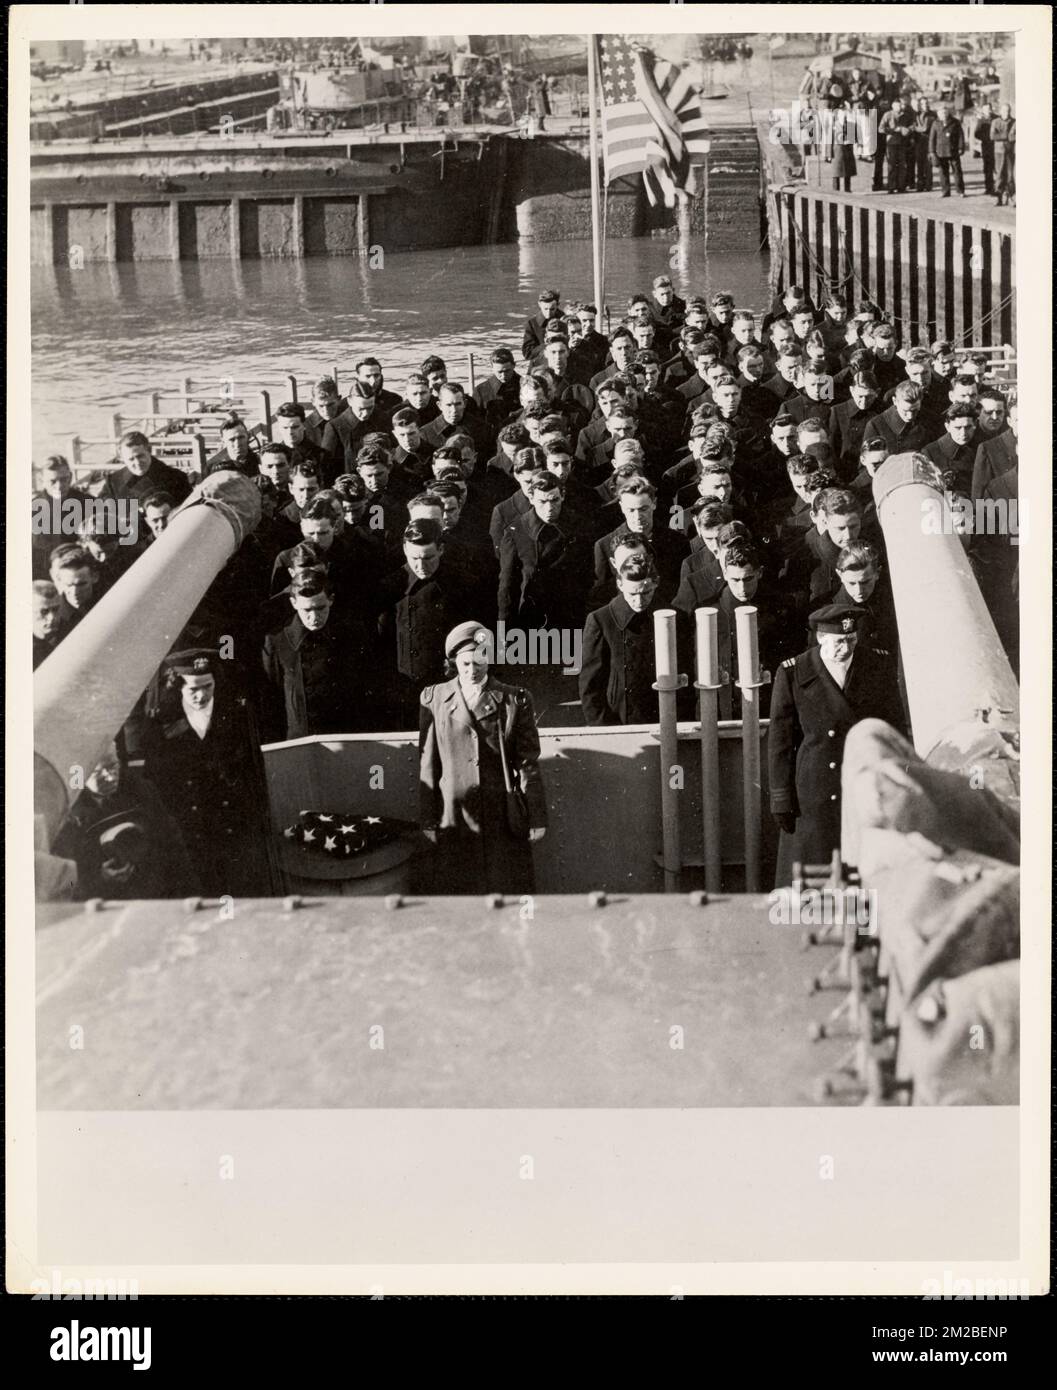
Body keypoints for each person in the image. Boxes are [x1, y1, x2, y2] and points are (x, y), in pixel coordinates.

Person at [768, 605, 904, 888]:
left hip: (863, 784)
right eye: (839, 641)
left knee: (863, 874)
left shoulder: (877, 665)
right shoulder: (794, 673)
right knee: (812, 876)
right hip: (815, 790)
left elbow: (894, 729)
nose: (846, 647)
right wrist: (781, 797)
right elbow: (780, 742)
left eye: (851, 639)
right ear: (820, 638)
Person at [418, 621, 547, 895]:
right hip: (454, 815)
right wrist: (428, 818)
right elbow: (428, 764)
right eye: (464, 664)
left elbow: (527, 763)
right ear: (453, 662)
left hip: (500, 814)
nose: (472, 671)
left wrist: (536, 817)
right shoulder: (434, 698)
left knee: (506, 889)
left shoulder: (515, 700)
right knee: (460, 892)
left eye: (479, 661)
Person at [141, 648, 280, 896]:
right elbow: (158, 782)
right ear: (178, 687)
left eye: (208, 686)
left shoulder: (236, 718)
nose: (201, 695)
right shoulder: (160, 727)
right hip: (190, 831)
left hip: (232, 829)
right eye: (193, 689)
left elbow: (253, 772)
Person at [99, 430, 192, 508]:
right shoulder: (114, 483)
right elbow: (101, 514)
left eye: (140, 456)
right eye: (131, 459)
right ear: (122, 459)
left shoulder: (176, 479)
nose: (137, 462)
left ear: (149, 450)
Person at [928, 102, 966, 197]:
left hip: (953, 150)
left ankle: (960, 191)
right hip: (940, 151)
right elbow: (932, 139)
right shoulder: (935, 123)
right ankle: (945, 191)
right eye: (941, 113)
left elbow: (961, 136)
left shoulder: (955, 122)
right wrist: (932, 151)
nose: (943, 114)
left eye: (945, 112)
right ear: (938, 114)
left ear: (948, 112)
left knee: (957, 171)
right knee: (943, 172)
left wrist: (961, 147)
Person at [990, 103, 1015, 205]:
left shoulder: (1014, 122)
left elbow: (1015, 136)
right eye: (1004, 110)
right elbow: (992, 136)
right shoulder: (995, 122)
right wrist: (1006, 136)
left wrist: (1010, 137)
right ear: (1000, 111)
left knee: (1010, 175)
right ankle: (998, 196)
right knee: (999, 174)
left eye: (1008, 110)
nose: (1006, 112)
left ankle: (1011, 196)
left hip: (1010, 152)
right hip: (999, 151)